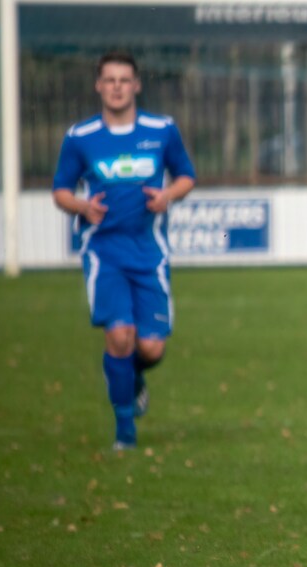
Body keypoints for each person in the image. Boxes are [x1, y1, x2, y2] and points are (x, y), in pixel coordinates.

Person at [52, 51, 196, 450]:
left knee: (151, 346)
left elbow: (186, 175)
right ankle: (124, 434)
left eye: (124, 80)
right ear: (99, 86)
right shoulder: (80, 138)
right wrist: (81, 206)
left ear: (136, 85)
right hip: (104, 252)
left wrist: (168, 195)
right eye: (109, 80)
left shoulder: (162, 130)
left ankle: (130, 377)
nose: (117, 87)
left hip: (149, 250)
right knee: (120, 336)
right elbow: (61, 190)